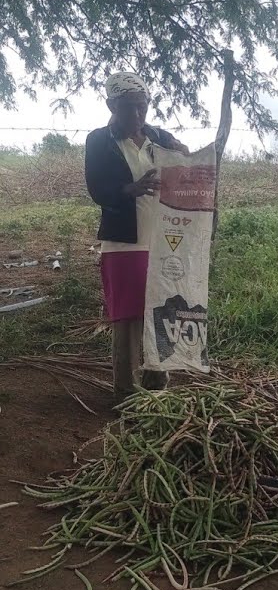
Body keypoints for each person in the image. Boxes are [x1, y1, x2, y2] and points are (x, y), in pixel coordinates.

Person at [85, 72, 190, 401]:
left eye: (142, 107)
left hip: (162, 241)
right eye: (129, 108)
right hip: (124, 244)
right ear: (111, 105)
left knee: (163, 309)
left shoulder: (157, 137)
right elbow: (97, 190)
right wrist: (131, 189)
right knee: (128, 316)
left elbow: (186, 165)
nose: (137, 115)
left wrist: (183, 152)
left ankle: (157, 381)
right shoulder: (100, 141)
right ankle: (127, 391)